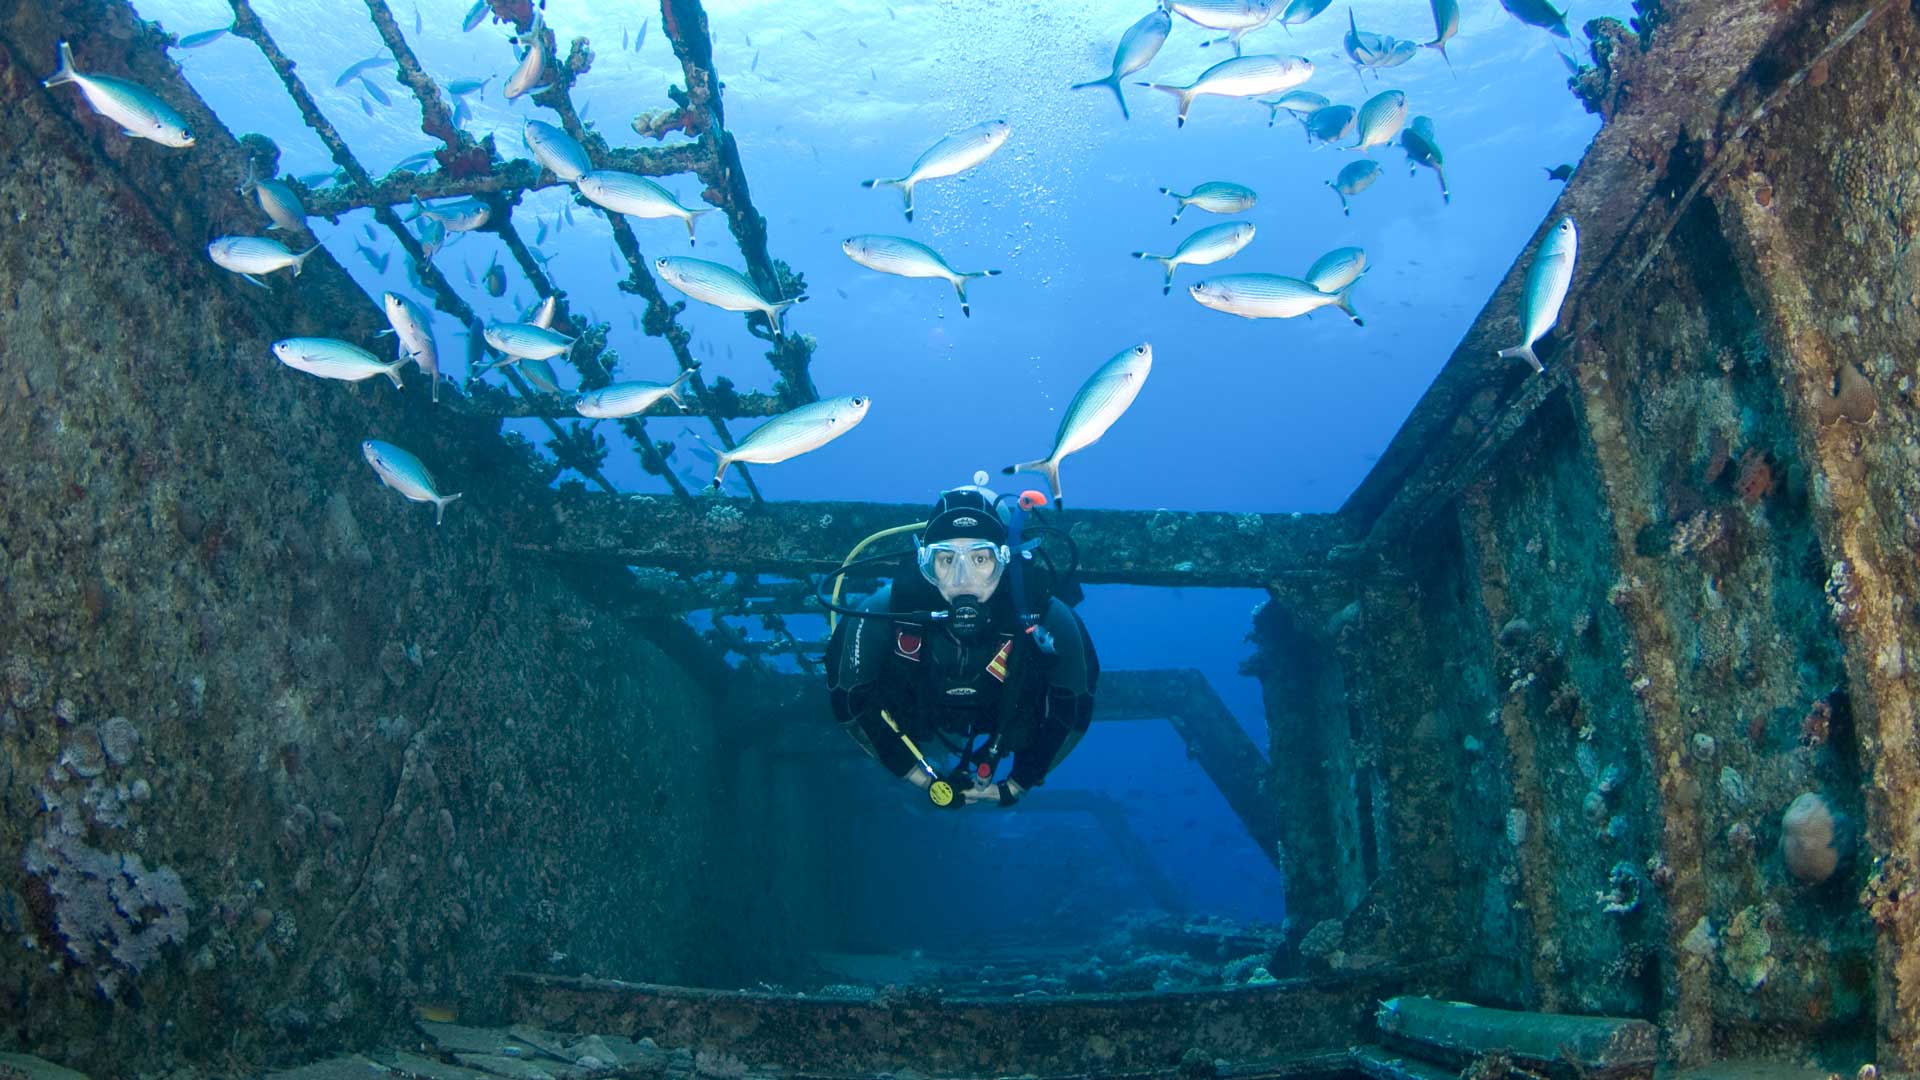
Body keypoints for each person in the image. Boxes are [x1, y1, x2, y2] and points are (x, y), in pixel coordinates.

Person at [826, 484, 1098, 808]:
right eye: (945, 559)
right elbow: (848, 695)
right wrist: (919, 776)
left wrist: (1018, 782)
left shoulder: (1041, 614)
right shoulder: (892, 608)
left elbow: (1075, 704)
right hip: (921, 715)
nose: (961, 580)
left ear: (1004, 560)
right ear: (926, 565)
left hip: (1004, 721)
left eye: (980, 558)